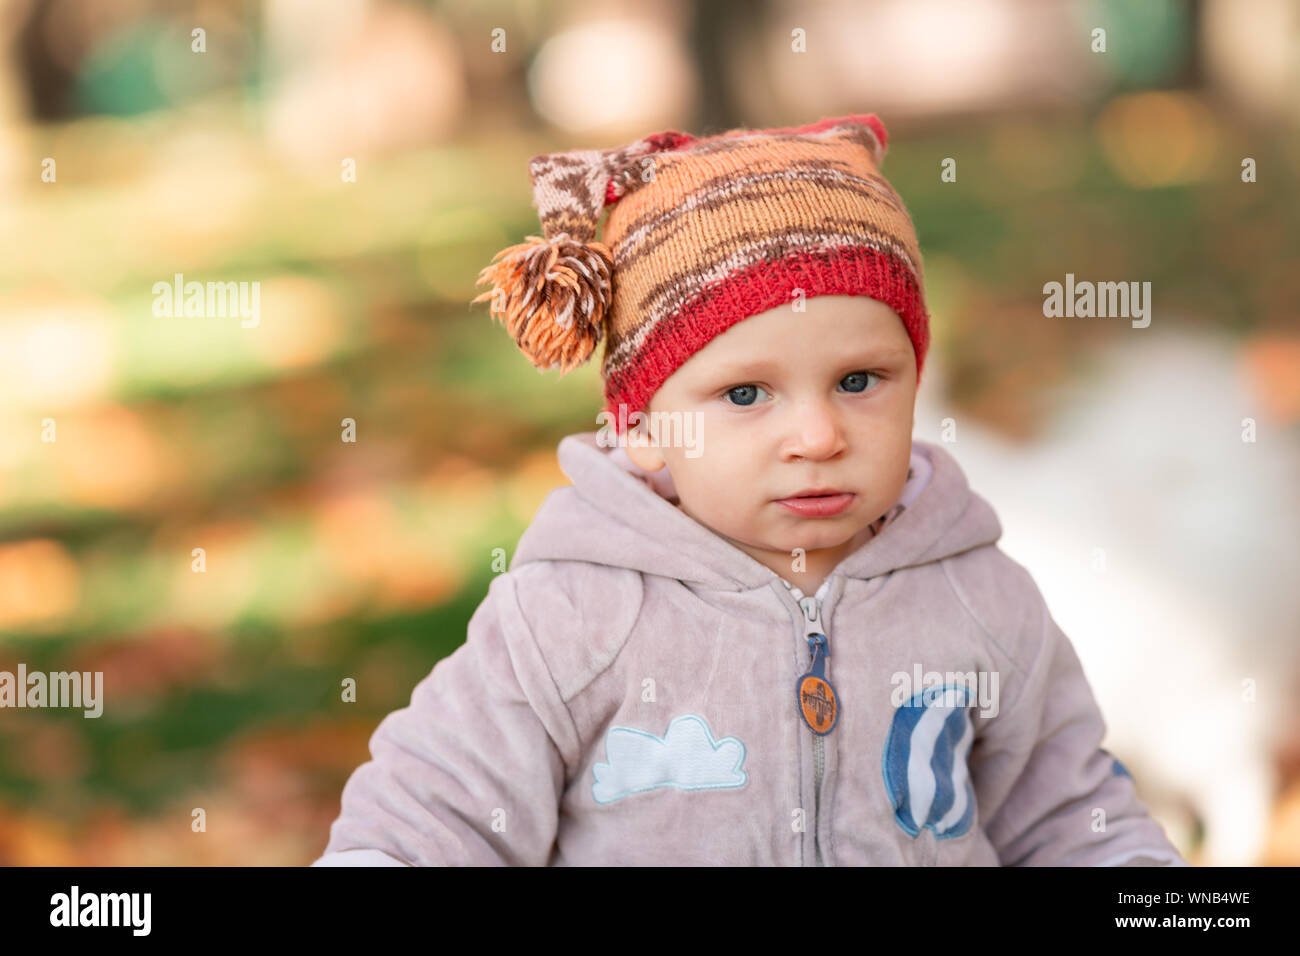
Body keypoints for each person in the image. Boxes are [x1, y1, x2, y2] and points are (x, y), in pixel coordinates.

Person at [311, 114, 1186, 866]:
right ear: (643, 428)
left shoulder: (975, 595)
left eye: (858, 381)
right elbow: (437, 807)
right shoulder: (572, 615)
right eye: (744, 394)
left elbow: (1070, 814)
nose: (816, 436)